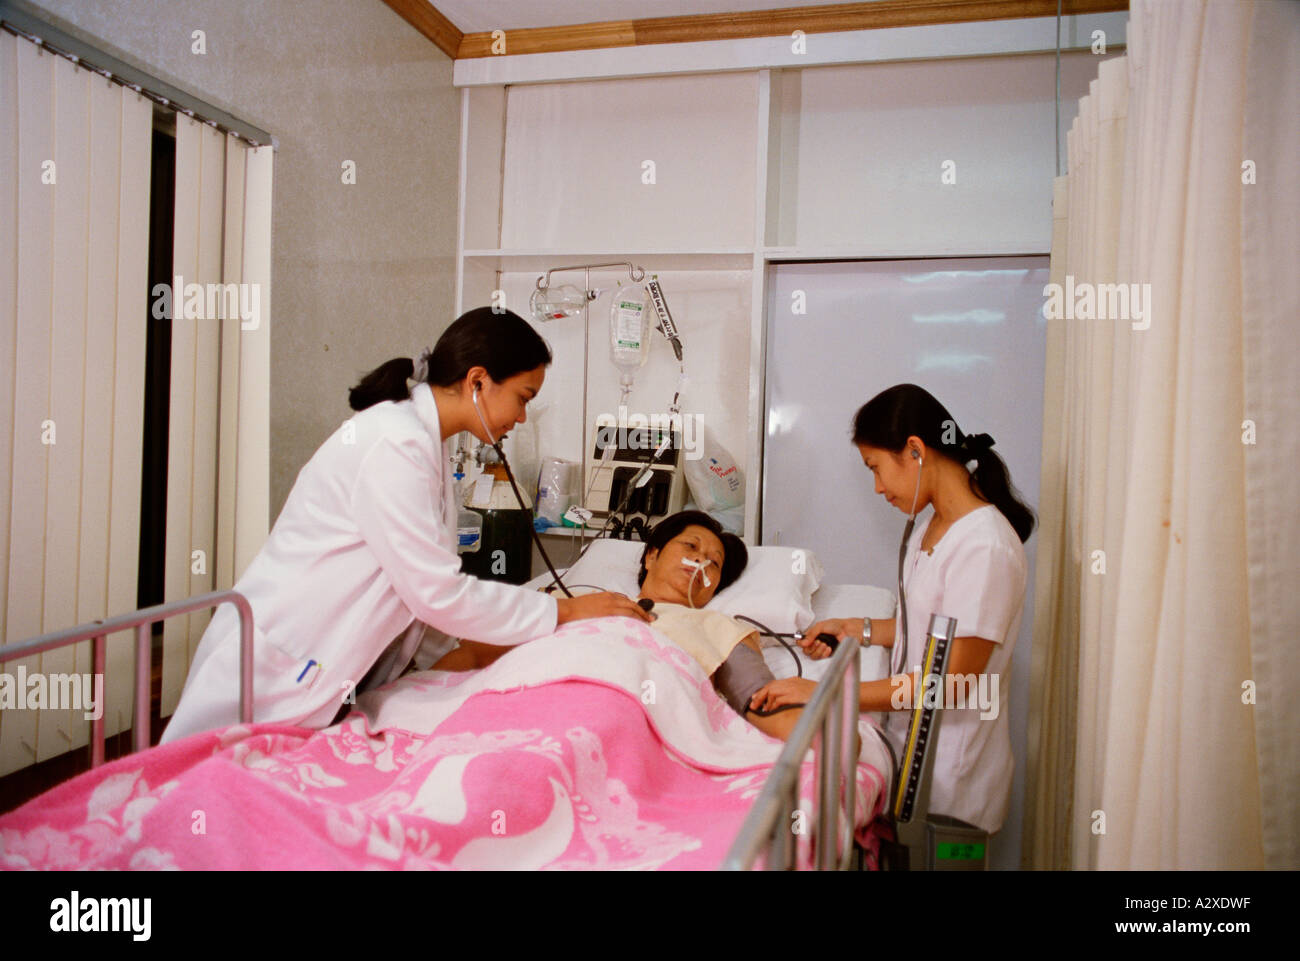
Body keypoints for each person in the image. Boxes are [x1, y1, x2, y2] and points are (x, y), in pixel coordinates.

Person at [161, 307, 649, 744]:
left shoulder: (426, 445)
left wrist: (463, 656)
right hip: (274, 666)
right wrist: (563, 612)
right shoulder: (395, 444)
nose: (522, 417)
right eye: (523, 397)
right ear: (478, 380)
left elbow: (419, 594)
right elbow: (435, 592)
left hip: (316, 674)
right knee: (188, 804)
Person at [749, 384, 1033, 835]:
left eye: (876, 468)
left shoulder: (986, 547)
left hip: (951, 786)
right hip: (912, 760)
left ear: (915, 451)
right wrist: (857, 628)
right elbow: (932, 625)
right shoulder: (931, 524)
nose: (878, 487)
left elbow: (952, 684)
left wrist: (826, 696)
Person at [439, 511, 807, 741]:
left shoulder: (715, 625)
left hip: (614, 720)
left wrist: (827, 736)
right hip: (519, 702)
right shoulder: (578, 601)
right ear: (652, 555)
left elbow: (763, 701)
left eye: (714, 563)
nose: (700, 559)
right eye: (691, 546)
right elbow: (474, 653)